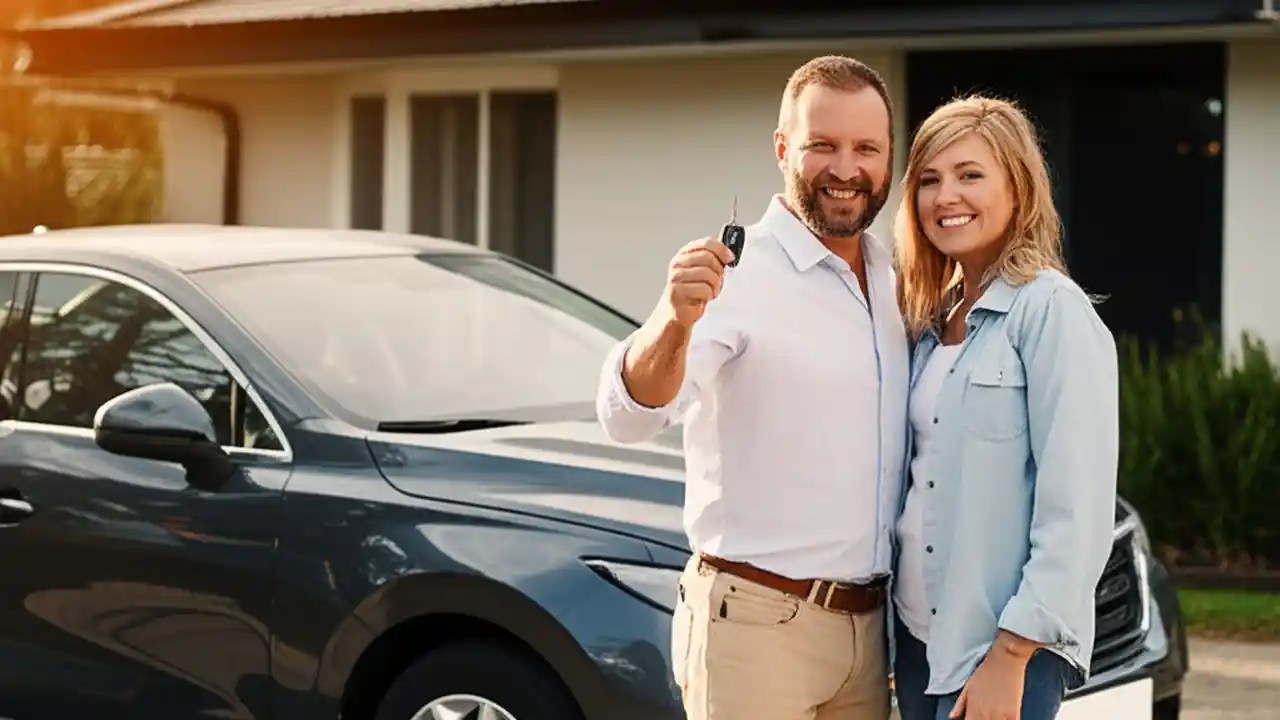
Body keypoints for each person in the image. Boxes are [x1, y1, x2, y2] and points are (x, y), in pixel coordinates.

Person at [595, 55, 909, 720]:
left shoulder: (894, 280)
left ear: (888, 157)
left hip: (869, 632)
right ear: (782, 149)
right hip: (755, 627)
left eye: (866, 148)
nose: (845, 169)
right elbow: (627, 416)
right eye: (822, 145)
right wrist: (675, 323)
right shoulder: (734, 273)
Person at [889, 94, 1119, 720]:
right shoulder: (931, 321)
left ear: (1017, 188)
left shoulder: (1050, 311)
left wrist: (1011, 655)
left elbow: (1077, 509)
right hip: (916, 646)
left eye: (970, 175)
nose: (946, 197)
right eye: (930, 180)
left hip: (998, 652)